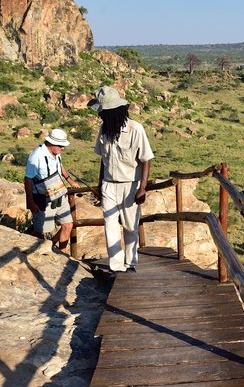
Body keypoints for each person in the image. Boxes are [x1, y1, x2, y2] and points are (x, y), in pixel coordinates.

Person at [89, 86, 154, 272]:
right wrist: (100, 184)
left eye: (104, 112)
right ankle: (116, 266)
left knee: (130, 226)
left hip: (130, 185)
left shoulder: (135, 129)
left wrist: (142, 188)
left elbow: (146, 159)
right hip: (109, 185)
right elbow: (103, 159)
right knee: (110, 225)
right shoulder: (104, 130)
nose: (101, 116)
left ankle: (131, 261)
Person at [24, 128, 79, 253]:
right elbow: (28, 180)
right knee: (41, 232)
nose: (63, 148)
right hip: (43, 199)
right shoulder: (36, 156)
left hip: (59, 194)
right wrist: (31, 202)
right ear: (52, 144)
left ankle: (62, 255)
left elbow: (60, 165)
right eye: (61, 146)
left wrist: (70, 180)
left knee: (68, 225)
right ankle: (34, 253)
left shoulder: (56, 153)